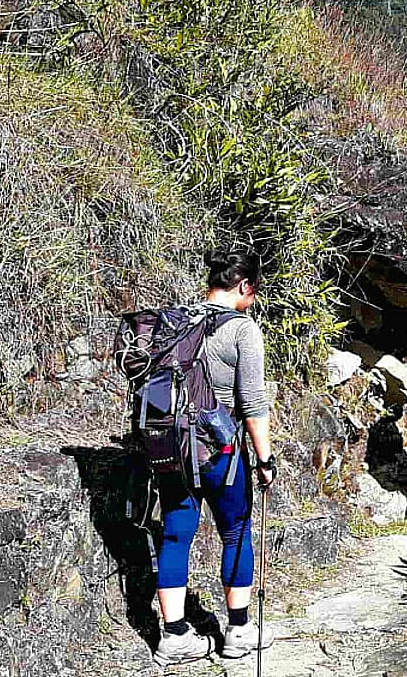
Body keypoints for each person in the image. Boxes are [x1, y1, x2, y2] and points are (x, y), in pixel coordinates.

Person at [152, 251, 277, 666]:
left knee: (174, 534)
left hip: (170, 448)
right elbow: (253, 401)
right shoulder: (242, 330)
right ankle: (238, 630)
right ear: (244, 286)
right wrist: (265, 458)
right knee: (236, 531)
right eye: (253, 292)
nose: (253, 300)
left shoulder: (176, 323)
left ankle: (173, 636)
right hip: (220, 451)